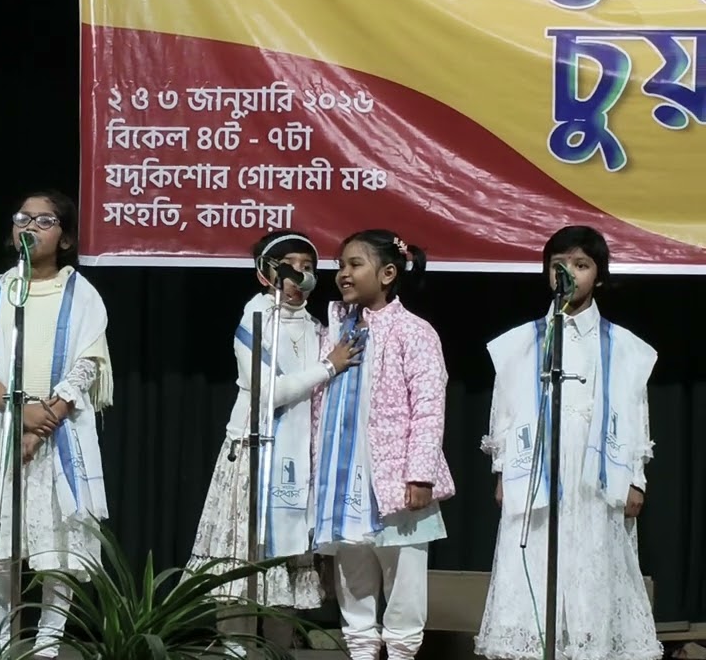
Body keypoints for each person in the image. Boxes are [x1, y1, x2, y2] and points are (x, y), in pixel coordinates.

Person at [474, 226, 661, 660]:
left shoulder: (624, 346)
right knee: (539, 562)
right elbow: (506, 408)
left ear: (598, 275)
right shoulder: (523, 341)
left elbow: (635, 412)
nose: (570, 274)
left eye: (581, 265)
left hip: (595, 474)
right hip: (539, 467)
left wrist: (637, 477)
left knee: (591, 564)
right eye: (560, 265)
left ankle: (588, 647)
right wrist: (502, 470)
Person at [0, 190, 112, 659]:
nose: (31, 227)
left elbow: (87, 362)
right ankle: (4, 643)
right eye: (24, 218)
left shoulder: (81, 294)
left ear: (64, 237)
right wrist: (18, 411)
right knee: (3, 548)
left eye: (45, 220)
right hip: (2, 429)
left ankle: (46, 644)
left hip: (58, 433)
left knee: (55, 549)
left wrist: (44, 420)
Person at [188, 231, 360, 657]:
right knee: (243, 558)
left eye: (308, 266)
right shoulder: (256, 319)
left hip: (299, 455)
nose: (301, 274)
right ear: (267, 273)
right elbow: (269, 391)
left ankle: (279, 649)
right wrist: (328, 367)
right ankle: (235, 647)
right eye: (291, 266)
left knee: (285, 560)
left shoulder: (319, 326)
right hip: (253, 452)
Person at [309, 229, 455, 660]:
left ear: (388, 273)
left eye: (355, 264)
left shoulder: (414, 332)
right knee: (353, 583)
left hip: (395, 481)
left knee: (404, 582)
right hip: (343, 477)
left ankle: (403, 653)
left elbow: (429, 406)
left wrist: (420, 473)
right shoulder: (335, 329)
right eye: (340, 266)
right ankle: (359, 650)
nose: (343, 274)